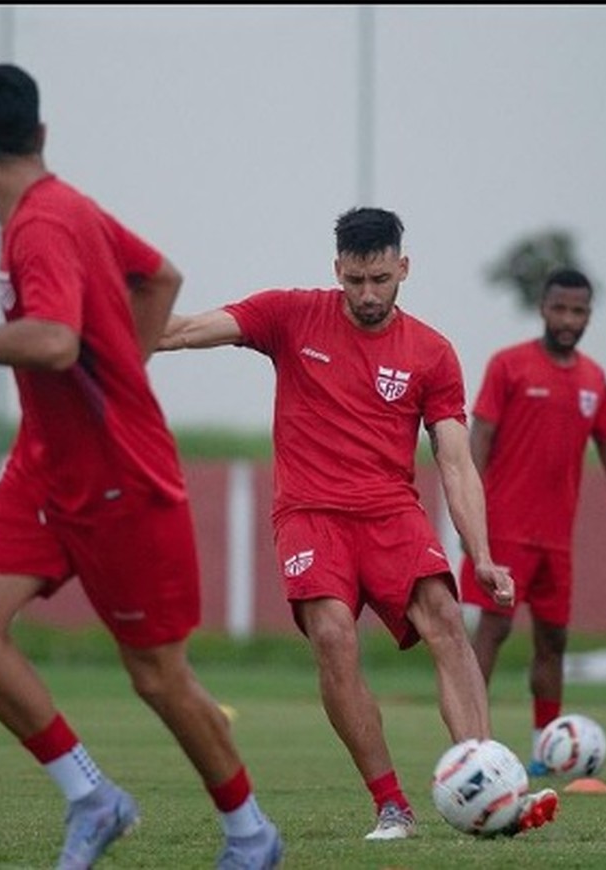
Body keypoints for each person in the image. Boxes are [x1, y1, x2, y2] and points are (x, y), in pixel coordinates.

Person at [0, 64, 282, 870]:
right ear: (42, 133)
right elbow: (161, 275)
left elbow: (55, 341)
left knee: (159, 677)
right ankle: (93, 797)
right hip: (44, 467)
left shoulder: (42, 226)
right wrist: (125, 364)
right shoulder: (59, 209)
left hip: (120, 480)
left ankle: (250, 833)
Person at [158, 206, 559, 841]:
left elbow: (455, 462)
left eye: (379, 279)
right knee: (334, 636)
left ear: (403, 268)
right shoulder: (288, 315)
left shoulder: (432, 352)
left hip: (390, 512)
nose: (367, 295)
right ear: (336, 271)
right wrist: (109, 333)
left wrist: (480, 554)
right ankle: (391, 804)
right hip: (310, 514)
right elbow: (185, 330)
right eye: (355, 281)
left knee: (448, 623)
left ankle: (492, 787)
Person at [458, 267, 606, 778]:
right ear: (543, 309)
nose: (568, 319)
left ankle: (545, 751)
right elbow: (477, 441)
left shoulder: (593, 379)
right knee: (494, 631)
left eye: (578, 311)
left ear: (588, 315)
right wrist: (470, 517)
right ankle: (471, 744)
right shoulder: (509, 366)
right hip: (503, 530)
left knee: (554, 641)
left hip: (556, 540)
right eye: (560, 309)